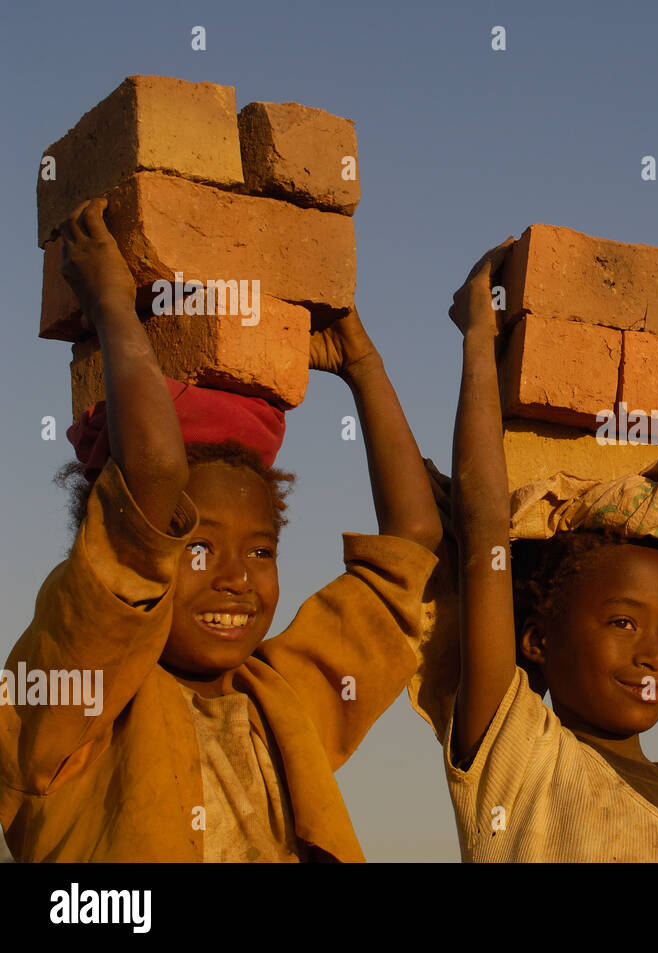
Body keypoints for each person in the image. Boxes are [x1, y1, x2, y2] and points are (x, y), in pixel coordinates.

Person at [0, 197, 440, 861]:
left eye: (261, 550)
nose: (237, 578)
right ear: (129, 542)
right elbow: (149, 482)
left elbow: (411, 546)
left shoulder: (284, 703)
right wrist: (113, 303)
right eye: (197, 545)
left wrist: (362, 366)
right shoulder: (74, 694)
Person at [430, 239, 658, 861]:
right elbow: (482, 541)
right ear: (538, 641)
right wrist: (477, 339)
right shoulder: (520, 754)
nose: (654, 654)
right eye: (622, 621)